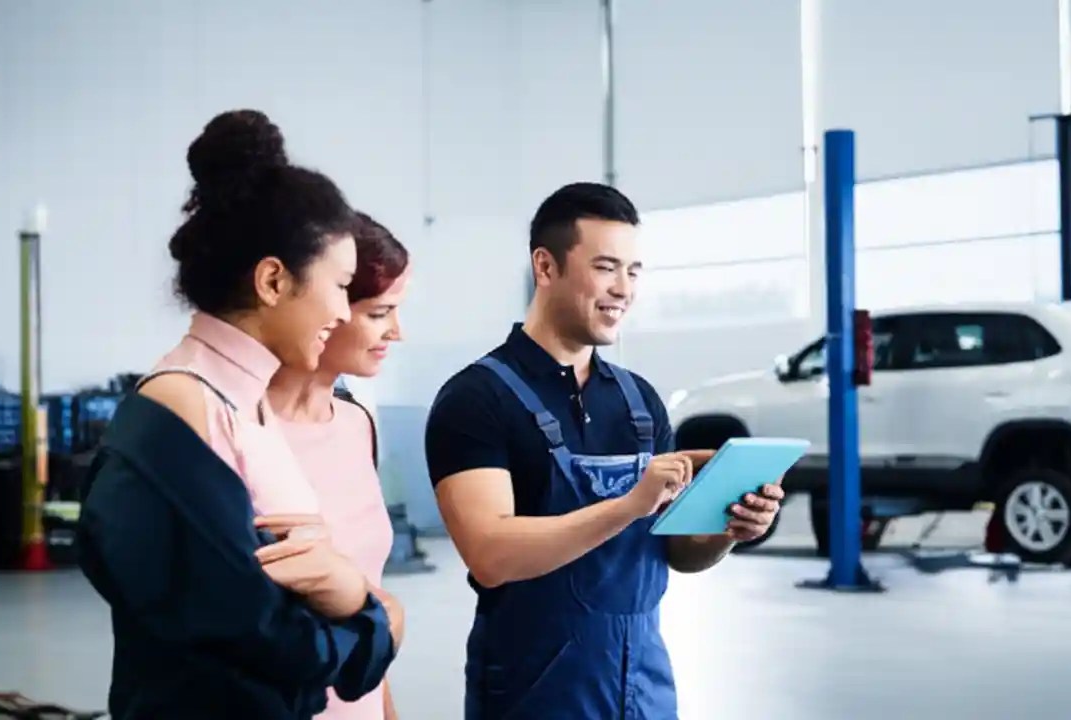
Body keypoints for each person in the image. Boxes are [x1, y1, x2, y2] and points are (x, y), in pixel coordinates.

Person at [77, 109, 395, 719]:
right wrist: (374, 622)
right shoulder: (182, 411)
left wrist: (356, 604)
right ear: (274, 280)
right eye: (339, 285)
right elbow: (251, 631)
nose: (342, 310)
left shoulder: (241, 404)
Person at [423, 182, 785, 719]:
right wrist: (627, 505)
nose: (623, 289)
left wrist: (729, 531)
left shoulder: (640, 401)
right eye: (606, 267)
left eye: (634, 271)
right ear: (545, 267)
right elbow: (490, 553)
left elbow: (676, 552)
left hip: (643, 689)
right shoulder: (476, 399)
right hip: (535, 694)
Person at [265, 211, 413, 720]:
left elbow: (370, 603)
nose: (397, 332)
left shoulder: (356, 425)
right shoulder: (238, 430)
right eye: (380, 313)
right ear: (325, 305)